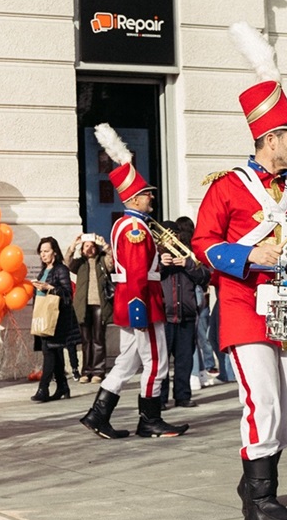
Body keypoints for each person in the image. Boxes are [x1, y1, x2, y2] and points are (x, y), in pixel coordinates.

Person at [190, 22, 287, 520]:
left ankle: (255, 475)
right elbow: (203, 246)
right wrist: (250, 253)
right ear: (270, 138)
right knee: (265, 401)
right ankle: (261, 499)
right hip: (244, 305)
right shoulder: (227, 188)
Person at [77, 123, 187, 440]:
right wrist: (141, 309)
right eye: (147, 194)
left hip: (133, 299)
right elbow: (137, 272)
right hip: (142, 301)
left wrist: (159, 262)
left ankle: (98, 414)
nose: (151, 196)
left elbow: (139, 266)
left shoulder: (124, 225)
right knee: (156, 362)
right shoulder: (136, 229)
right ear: (135, 198)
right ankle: (150, 419)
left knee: (127, 361)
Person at [160, 217, 207, 408]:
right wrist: (160, 264)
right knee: (162, 361)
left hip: (186, 314)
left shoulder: (189, 256)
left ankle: (182, 395)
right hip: (163, 315)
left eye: (174, 236)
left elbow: (205, 276)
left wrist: (187, 264)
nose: (171, 241)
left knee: (184, 359)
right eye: (166, 237)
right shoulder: (154, 256)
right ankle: (160, 398)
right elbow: (146, 276)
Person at [30, 236, 78, 403]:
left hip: (56, 319)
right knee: (55, 353)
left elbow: (67, 294)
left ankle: (43, 389)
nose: (43, 255)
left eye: (46, 251)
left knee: (49, 353)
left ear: (55, 252)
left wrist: (48, 287)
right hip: (43, 317)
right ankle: (63, 386)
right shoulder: (44, 271)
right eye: (41, 252)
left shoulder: (60, 269)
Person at [66, 234, 113, 382]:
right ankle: (86, 371)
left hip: (100, 304)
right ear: (82, 249)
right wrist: (74, 245)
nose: (90, 248)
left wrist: (105, 245)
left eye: (92, 246)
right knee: (86, 340)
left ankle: (98, 371)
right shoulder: (79, 264)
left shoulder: (102, 261)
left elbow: (113, 261)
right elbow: (67, 262)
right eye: (86, 246)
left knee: (98, 338)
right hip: (83, 305)